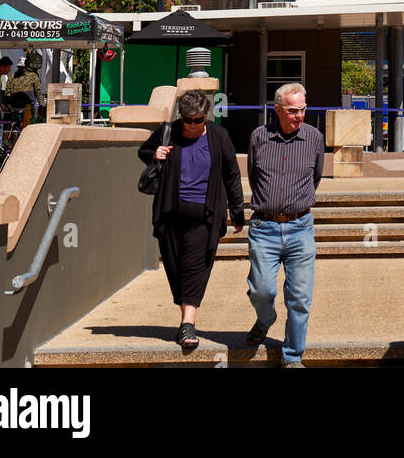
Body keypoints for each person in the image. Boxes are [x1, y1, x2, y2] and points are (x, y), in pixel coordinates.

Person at [138, 89, 244, 352]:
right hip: (170, 212)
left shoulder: (218, 136)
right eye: (188, 120)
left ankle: (188, 323)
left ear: (205, 116)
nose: (193, 125)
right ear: (181, 117)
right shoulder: (169, 131)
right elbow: (144, 151)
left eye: (198, 120)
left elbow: (232, 174)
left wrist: (238, 211)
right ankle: (184, 308)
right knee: (175, 266)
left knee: (194, 265)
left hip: (205, 215)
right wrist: (156, 154)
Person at [245, 81, 324, 368]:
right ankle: (265, 319)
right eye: (292, 110)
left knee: (300, 298)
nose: (299, 115)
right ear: (277, 110)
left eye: (303, 109)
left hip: (300, 227)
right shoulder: (258, 137)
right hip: (264, 229)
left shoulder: (314, 138)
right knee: (262, 290)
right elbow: (254, 176)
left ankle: (292, 356)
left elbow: (315, 177)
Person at [4, 55, 45, 127]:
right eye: (19, 67)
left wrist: (41, 104)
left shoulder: (33, 76)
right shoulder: (12, 76)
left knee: (27, 127)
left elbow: (38, 91)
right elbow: (7, 91)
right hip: (14, 107)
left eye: (22, 67)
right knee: (13, 128)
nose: (21, 68)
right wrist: (8, 105)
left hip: (28, 107)